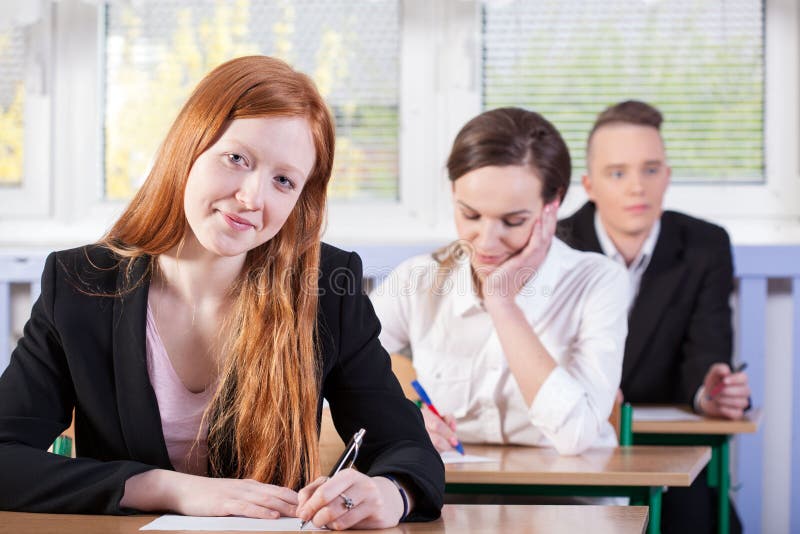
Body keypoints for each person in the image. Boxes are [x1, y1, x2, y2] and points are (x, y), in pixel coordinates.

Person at [0, 56, 443, 530]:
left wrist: (387, 493)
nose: (253, 197)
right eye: (237, 159)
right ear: (189, 146)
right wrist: (167, 487)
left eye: (283, 180)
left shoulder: (325, 285)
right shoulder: (80, 281)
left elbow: (411, 454)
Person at [369, 107, 629, 456]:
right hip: (450, 499)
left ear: (552, 206)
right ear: (453, 194)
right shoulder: (420, 280)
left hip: (570, 497)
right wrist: (400, 418)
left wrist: (502, 303)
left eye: (513, 221)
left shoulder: (597, 282)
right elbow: (324, 378)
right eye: (470, 215)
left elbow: (575, 435)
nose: (486, 242)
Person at [558, 100, 750, 533]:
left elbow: (706, 351)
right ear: (589, 184)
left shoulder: (706, 244)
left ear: (667, 176)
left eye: (650, 169)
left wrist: (710, 391)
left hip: (666, 449)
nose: (636, 188)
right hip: (575, 445)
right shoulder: (554, 245)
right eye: (618, 173)